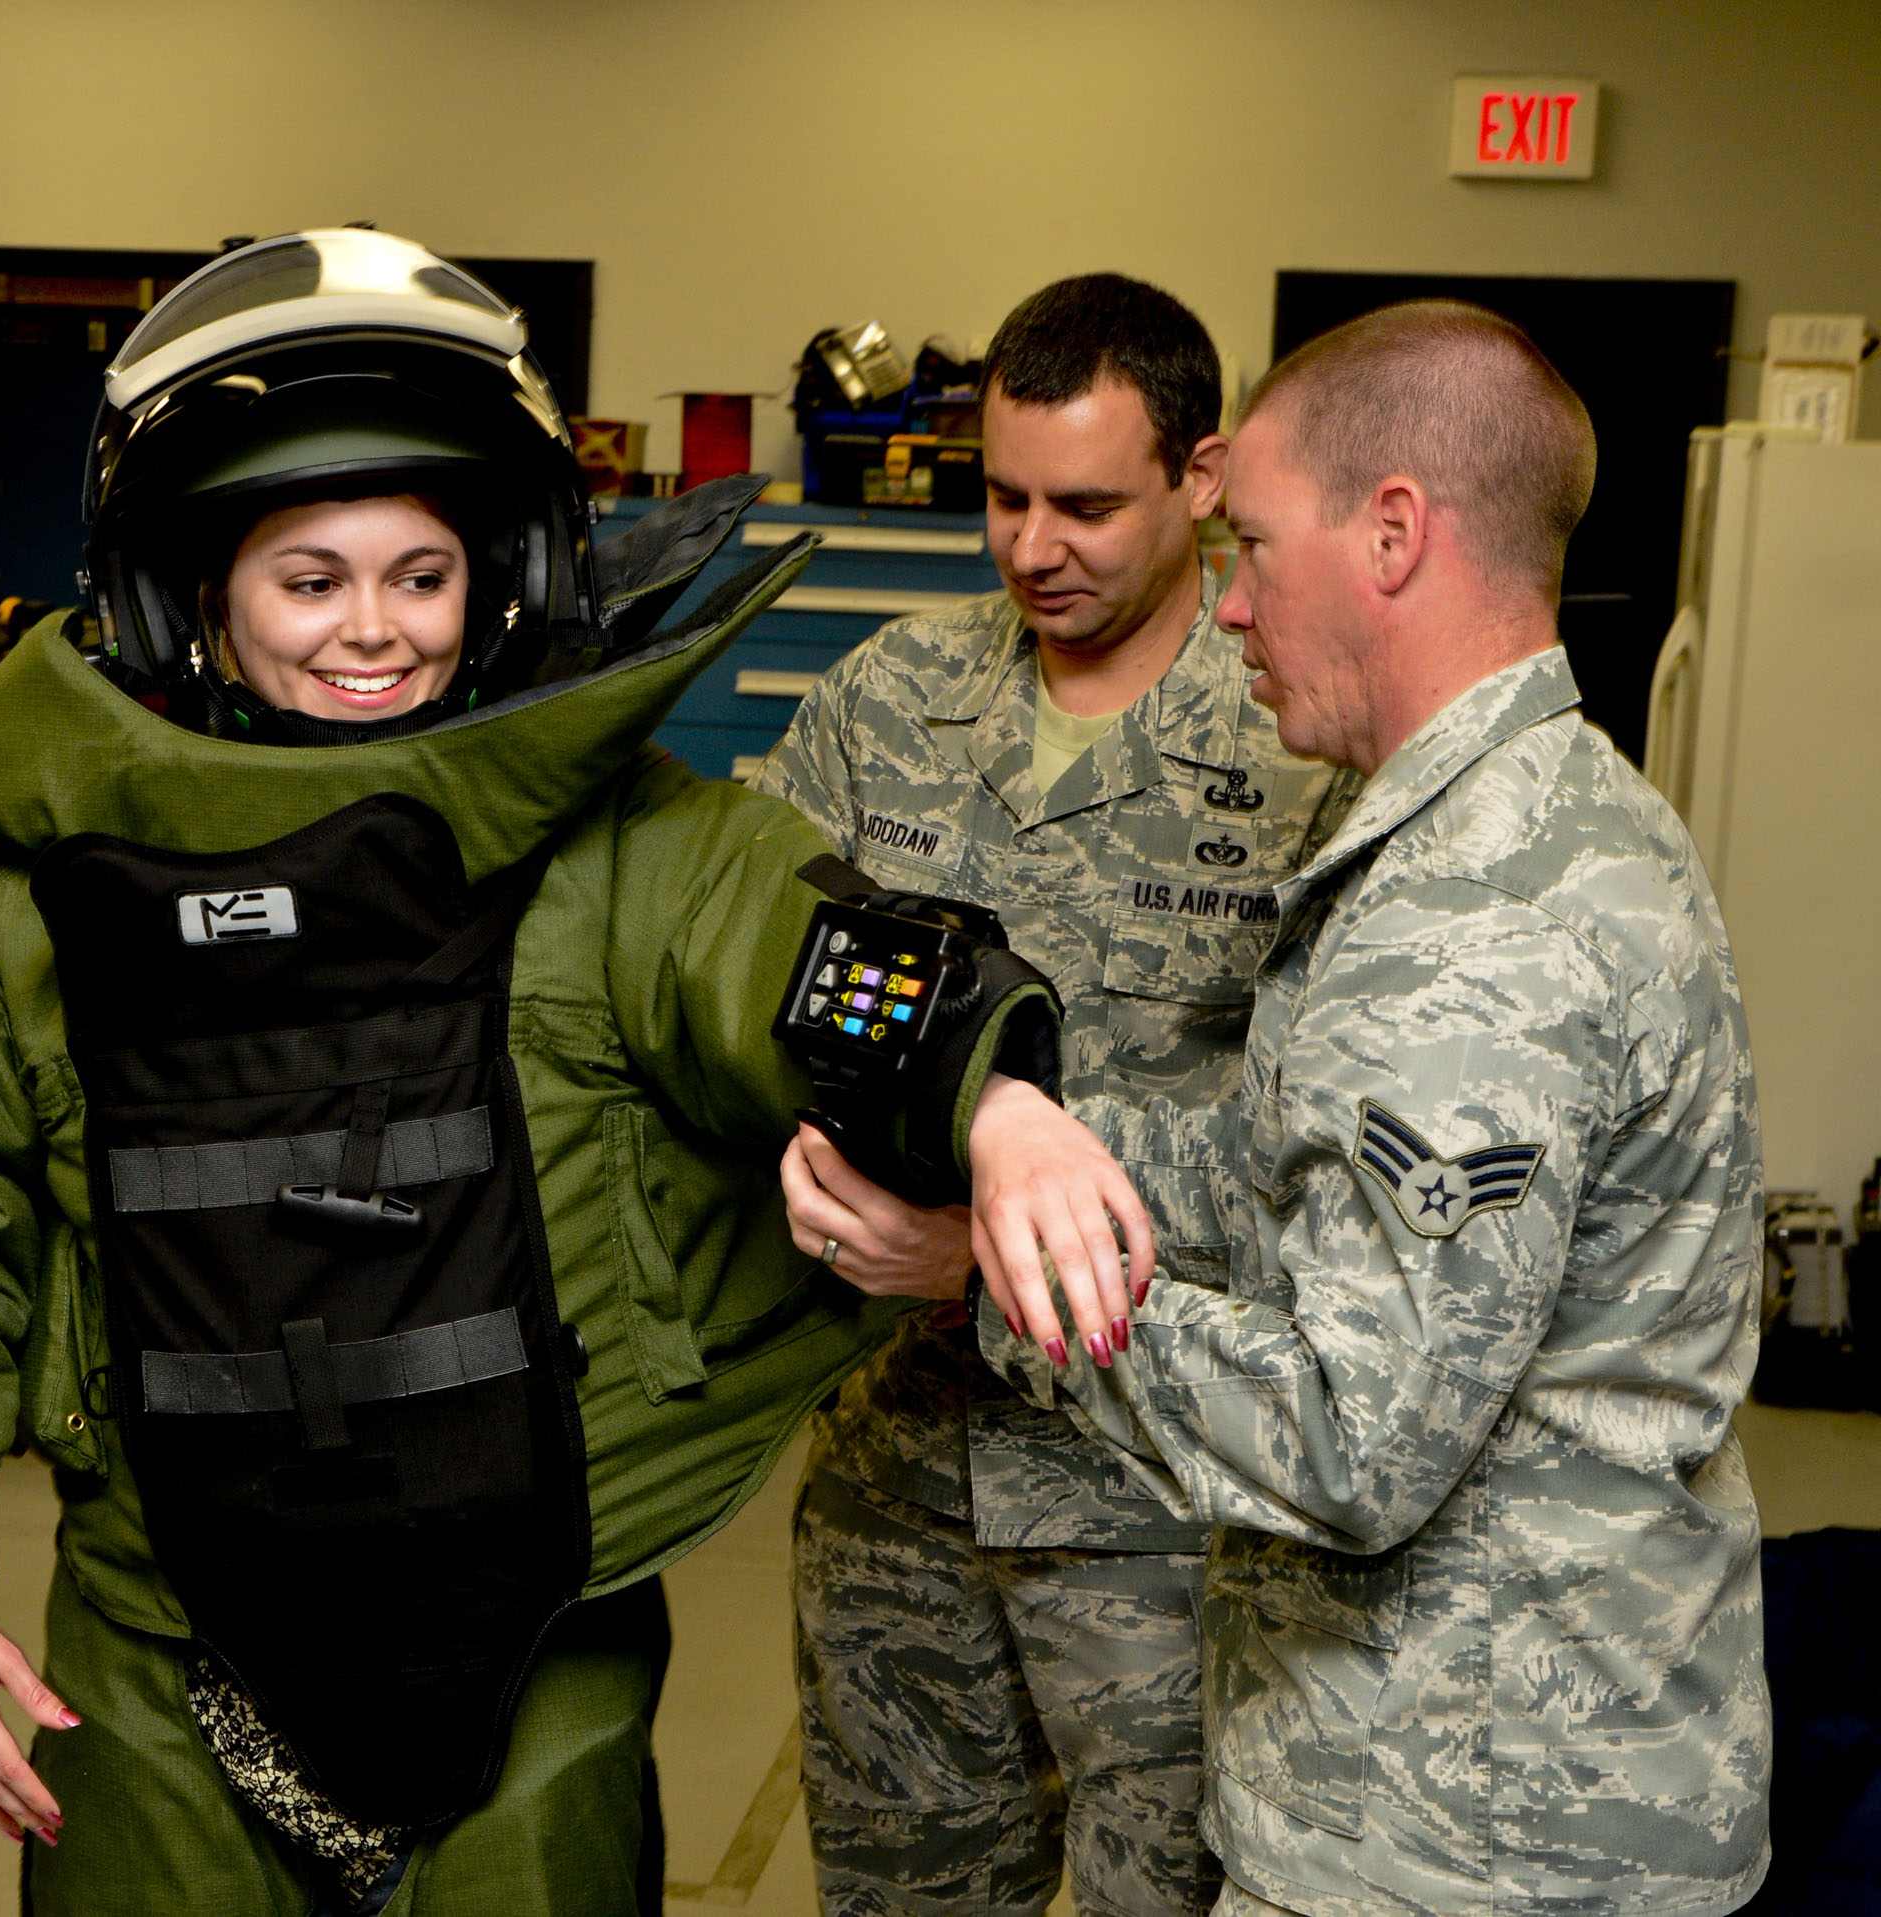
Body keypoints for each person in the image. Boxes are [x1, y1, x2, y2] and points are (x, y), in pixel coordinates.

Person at [0, 229, 1046, 1917]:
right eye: (311, 579)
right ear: (200, 590)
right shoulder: (47, 911)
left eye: (420, 576)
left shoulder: (617, 849)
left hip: (536, 1638)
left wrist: (997, 1098)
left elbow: (795, 954)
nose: (373, 633)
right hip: (154, 1645)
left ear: (492, 577)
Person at [965, 301, 1772, 1915]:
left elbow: (1348, 1438)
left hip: (1465, 1843)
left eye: (1254, 545)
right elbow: (1292, 1174)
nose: (1236, 604)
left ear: (1393, 532)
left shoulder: (1480, 916)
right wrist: (1024, 1140)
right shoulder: (1526, 822)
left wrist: (1002, 1283)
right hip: (1487, 1799)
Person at [755, 274, 1349, 1916]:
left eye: (1086, 503)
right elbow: (746, 969)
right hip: (894, 1472)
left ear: (1202, 480)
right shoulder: (886, 704)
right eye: (1003, 498)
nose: (1033, 547)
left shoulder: (1299, 736)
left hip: (1164, 1502)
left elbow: (1323, 1141)